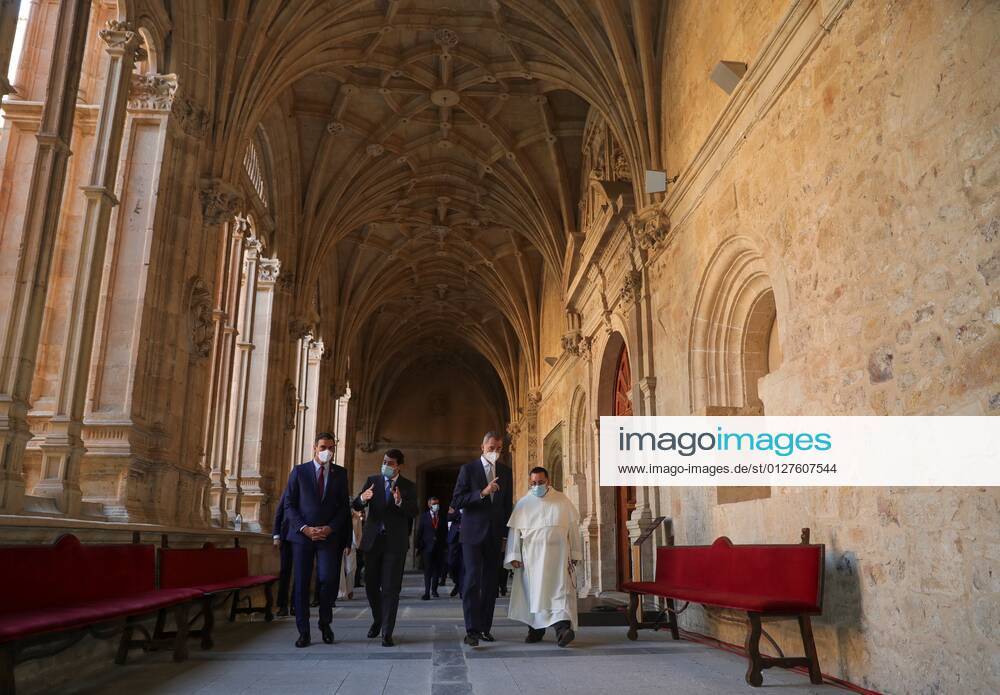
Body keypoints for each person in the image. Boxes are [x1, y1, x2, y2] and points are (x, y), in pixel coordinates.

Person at [284, 432, 351, 648]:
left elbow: (343, 507)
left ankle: (325, 622)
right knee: (302, 584)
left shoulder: (340, 474)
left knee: (328, 579)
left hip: (328, 536)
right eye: (323, 447)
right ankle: (303, 631)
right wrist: (304, 528)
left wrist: (331, 528)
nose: (327, 452)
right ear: (315, 448)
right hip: (302, 536)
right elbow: (289, 504)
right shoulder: (299, 471)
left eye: (331, 447)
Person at [504, 466, 582, 647]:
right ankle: (535, 630)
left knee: (559, 593)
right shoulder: (523, 503)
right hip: (532, 559)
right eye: (533, 483)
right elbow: (515, 532)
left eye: (540, 482)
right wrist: (514, 555)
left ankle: (563, 631)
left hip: (559, 558)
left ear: (548, 482)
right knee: (534, 594)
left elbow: (573, 529)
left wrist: (576, 552)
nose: (537, 486)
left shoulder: (562, 500)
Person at [451, 431, 513, 646]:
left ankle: (485, 628)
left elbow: (507, 506)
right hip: (472, 535)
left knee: (490, 584)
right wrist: (482, 493)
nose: (494, 452)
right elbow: (457, 500)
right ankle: (472, 630)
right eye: (491, 448)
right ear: (482, 447)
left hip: (495, 535)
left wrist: (506, 535)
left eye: (498, 449)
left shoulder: (505, 471)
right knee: (471, 581)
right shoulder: (468, 470)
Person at [353, 449, 418, 647]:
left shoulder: (408, 486)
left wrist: (399, 501)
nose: (386, 465)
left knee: (390, 588)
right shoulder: (373, 480)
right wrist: (363, 498)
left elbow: (414, 511)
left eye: (390, 463)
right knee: (371, 586)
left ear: (398, 465)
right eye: (384, 461)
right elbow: (356, 505)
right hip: (373, 542)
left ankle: (387, 632)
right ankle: (378, 619)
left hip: (395, 544)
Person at [415, 496, 448, 600]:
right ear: (429, 505)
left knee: (437, 570)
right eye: (434, 503)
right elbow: (419, 532)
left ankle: (434, 590)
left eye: (437, 503)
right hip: (427, 548)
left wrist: (445, 546)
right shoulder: (424, 517)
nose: (436, 505)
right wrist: (418, 545)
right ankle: (427, 592)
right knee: (427, 571)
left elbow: (445, 533)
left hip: (439, 548)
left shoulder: (442, 517)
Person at [272, 490, 293, 617]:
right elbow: (279, 513)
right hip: (286, 537)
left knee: (301, 572)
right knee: (285, 571)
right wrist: (276, 535)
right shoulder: (287, 492)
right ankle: (283, 605)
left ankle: (296, 604)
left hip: (303, 537)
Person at [338, 509, 363, 600]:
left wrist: (358, 544)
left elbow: (360, 532)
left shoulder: (356, 516)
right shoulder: (338, 513)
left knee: (351, 568)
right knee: (340, 568)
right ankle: (341, 592)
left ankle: (349, 589)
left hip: (352, 544)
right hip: (339, 543)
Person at [446, 507, 463, 597]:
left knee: (463, 565)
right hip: (454, 538)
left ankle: (461, 588)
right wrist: (460, 515)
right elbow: (449, 517)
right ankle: (457, 582)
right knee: (451, 563)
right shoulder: (455, 502)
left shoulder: (472, 500)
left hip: (466, 537)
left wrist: (457, 515)